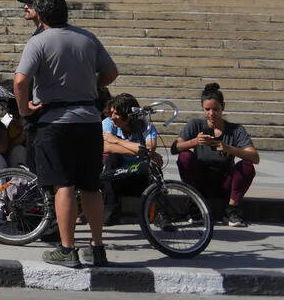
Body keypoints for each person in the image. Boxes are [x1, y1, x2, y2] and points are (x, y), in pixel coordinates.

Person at [14, 0, 118, 268]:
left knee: (64, 185)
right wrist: (91, 86)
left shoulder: (39, 41)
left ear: (41, 13)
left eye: (31, 6)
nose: (26, 9)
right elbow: (111, 72)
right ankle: (97, 248)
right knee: (91, 187)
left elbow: (20, 81)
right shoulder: (87, 38)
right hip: (88, 120)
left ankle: (67, 249)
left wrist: (24, 109)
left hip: (55, 122)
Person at [175, 83, 259, 228]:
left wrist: (228, 148)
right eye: (207, 109)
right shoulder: (195, 124)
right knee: (185, 156)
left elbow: (255, 157)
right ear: (202, 108)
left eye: (215, 109)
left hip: (224, 181)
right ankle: (195, 205)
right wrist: (194, 142)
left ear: (223, 106)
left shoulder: (236, 130)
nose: (211, 113)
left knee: (247, 165)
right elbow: (175, 147)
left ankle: (232, 209)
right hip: (200, 180)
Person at [100, 93, 159, 226]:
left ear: (128, 115)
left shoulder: (145, 126)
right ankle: (111, 210)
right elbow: (106, 146)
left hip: (139, 174)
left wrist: (117, 141)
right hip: (117, 175)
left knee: (154, 167)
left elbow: (149, 148)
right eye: (111, 112)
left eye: (116, 113)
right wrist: (142, 151)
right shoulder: (108, 123)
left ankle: (159, 213)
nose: (112, 117)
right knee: (112, 158)